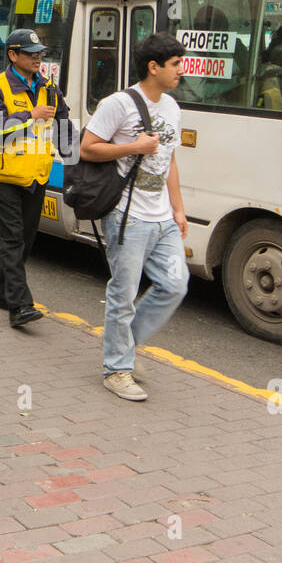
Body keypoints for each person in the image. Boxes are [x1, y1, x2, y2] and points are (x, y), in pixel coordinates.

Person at [79, 32, 190, 402]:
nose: (181, 70)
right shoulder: (119, 103)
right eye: (175, 64)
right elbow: (88, 148)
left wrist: (178, 208)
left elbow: (169, 160)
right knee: (123, 294)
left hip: (163, 218)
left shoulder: (172, 107)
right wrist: (134, 147)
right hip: (128, 216)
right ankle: (116, 370)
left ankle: (126, 346)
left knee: (175, 285)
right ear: (153, 67)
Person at [0, 28, 71, 328]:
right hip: (4, 176)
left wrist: (82, 164)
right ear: (13, 55)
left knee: (25, 241)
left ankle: (5, 294)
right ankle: (20, 307)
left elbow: (64, 127)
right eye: (31, 54)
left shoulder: (48, 88)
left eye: (40, 53)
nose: (37, 58)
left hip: (36, 177)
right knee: (13, 238)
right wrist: (31, 115)